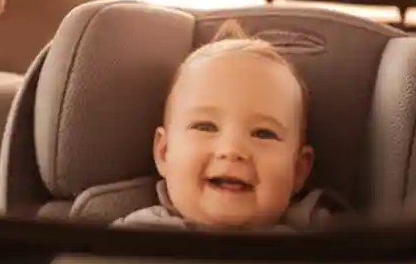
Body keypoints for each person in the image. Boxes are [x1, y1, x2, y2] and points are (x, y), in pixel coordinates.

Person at [114, 21, 343, 230]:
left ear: (298, 170)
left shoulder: (326, 240)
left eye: (263, 133)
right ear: (164, 153)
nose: (232, 150)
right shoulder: (137, 237)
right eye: (205, 127)